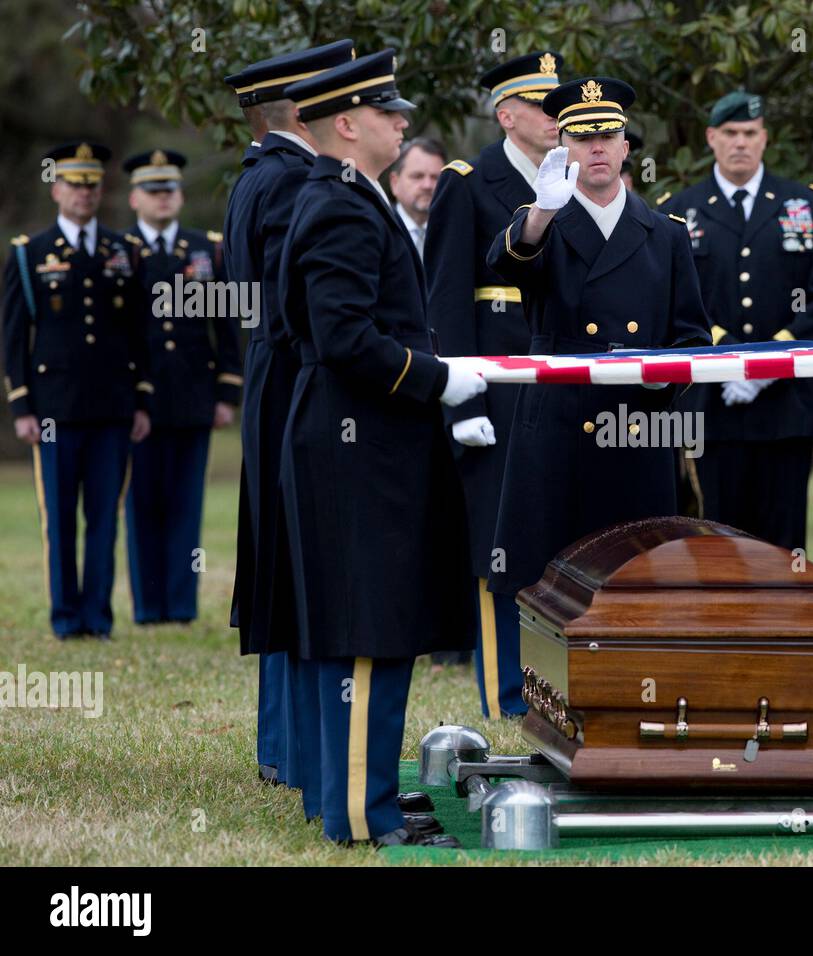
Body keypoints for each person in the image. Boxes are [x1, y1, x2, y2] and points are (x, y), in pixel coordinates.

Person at [279, 49, 484, 847]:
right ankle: (365, 817)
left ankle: (353, 801)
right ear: (347, 123)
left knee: (371, 631)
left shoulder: (351, 197)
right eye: (388, 111)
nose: (403, 122)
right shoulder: (339, 205)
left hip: (359, 441)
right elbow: (343, 338)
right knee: (370, 632)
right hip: (355, 445)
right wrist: (438, 379)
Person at [486, 75, 711, 603]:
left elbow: (693, 335)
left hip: (637, 426)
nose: (597, 149)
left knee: (636, 578)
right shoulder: (540, 222)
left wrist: (657, 376)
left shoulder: (666, 233)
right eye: (583, 138)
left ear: (626, 146)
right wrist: (541, 209)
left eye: (607, 136)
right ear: (562, 148)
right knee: (547, 581)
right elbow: (504, 264)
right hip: (559, 423)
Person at [222, 39, 355, 790]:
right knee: (294, 560)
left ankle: (282, 743)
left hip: (270, 375)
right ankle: (288, 746)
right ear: (307, 110)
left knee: (282, 557)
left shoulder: (258, 176)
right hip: (292, 379)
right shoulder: (289, 182)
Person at [423, 50, 563, 718]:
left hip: (560, 386)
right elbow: (447, 300)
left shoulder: (575, 176)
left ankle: (555, 690)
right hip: (498, 394)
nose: (556, 116)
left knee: (558, 544)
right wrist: (463, 397)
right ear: (507, 114)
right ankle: (506, 695)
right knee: (498, 548)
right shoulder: (469, 180)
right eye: (542, 105)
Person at [662, 90, 813, 552]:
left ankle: (786, 626)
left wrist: (768, 365)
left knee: (784, 545)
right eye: (730, 134)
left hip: (787, 405)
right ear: (711, 138)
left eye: (750, 133)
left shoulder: (805, 204)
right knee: (717, 542)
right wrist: (725, 358)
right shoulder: (679, 209)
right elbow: (677, 299)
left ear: (765, 139)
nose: (740, 143)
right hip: (712, 403)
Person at [3, 142, 152, 639]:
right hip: (54, 412)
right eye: (74, 184)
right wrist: (21, 404)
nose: (84, 194)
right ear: (56, 189)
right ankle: (66, 619)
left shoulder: (124, 252)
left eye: (91, 185)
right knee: (61, 520)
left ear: (100, 190)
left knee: (104, 520)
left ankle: (99, 618)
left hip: (112, 408)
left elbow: (140, 333)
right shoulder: (30, 254)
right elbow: (13, 336)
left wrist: (143, 399)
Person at [121, 149, 242, 625]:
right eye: (153, 191)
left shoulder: (206, 249)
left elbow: (227, 323)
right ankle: (149, 606)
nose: (163, 198)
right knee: (143, 505)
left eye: (169, 189)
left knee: (186, 505)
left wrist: (227, 391)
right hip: (141, 401)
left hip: (194, 395)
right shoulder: (121, 249)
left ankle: (181, 605)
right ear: (134, 198)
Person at [387, 137, 446, 260]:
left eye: (435, 177)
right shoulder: (380, 228)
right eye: (417, 176)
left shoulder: (455, 233)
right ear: (394, 183)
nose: (427, 185)